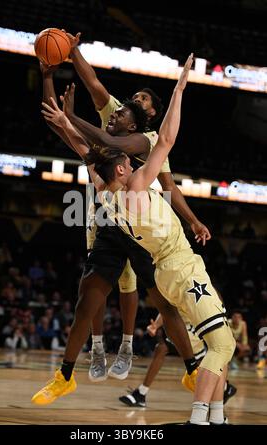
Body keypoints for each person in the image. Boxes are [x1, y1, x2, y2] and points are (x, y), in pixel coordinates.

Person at [37, 53, 236, 425]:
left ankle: (214, 410)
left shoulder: (105, 190)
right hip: (178, 264)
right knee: (222, 345)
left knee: (203, 336)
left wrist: (65, 121)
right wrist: (179, 88)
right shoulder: (140, 184)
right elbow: (168, 137)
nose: (133, 164)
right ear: (125, 167)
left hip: (162, 270)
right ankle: (200, 417)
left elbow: (84, 149)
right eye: (129, 163)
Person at [119, 313, 237, 407]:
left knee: (203, 369)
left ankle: (224, 389)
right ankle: (141, 393)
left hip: (194, 331)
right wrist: (155, 325)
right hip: (180, 328)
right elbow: (165, 309)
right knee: (162, 348)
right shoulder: (171, 288)